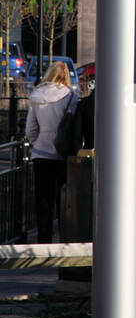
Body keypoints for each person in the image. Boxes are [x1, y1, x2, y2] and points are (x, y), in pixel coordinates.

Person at [25, 61, 79, 242]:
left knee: (43, 199)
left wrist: (37, 143)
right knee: (63, 200)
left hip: (40, 153)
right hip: (62, 154)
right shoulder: (70, 97)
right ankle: (64, 237)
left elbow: (30, 130)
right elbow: (73, 125)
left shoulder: (37, 95)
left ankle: (44, 239)